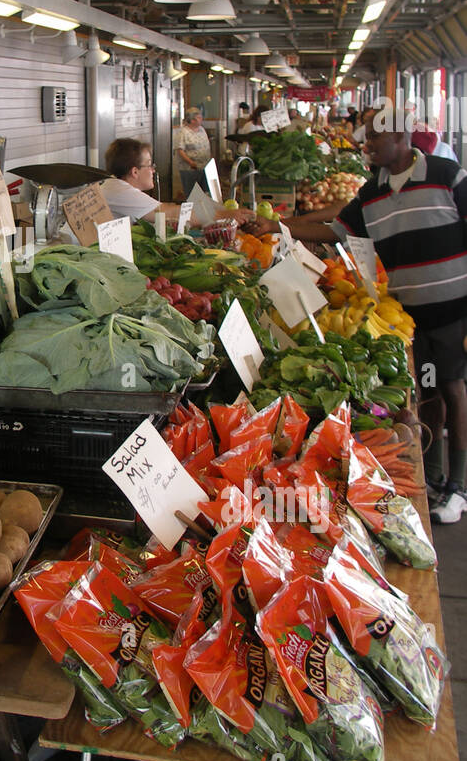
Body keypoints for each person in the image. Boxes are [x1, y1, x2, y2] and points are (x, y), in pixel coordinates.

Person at [264, 107, 467, 525]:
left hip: (453, 309)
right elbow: (335, 230)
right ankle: (434, 474)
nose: (367, 145)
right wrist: (277, 227)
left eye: (374, 138)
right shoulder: (372, 193)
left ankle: (459, 486)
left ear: (399, 136)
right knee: (429, 390)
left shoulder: (446, 174)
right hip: (411, 318)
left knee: (453, 388)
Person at [101, 137, 256, 228]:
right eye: (149, 165)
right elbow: (169, 213)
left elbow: (166, 210)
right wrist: (225, 214)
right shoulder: (120, 191)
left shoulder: (116, 187)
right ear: (135, 172)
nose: (153, 170)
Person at [174, 106, 213, 197]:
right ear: (192, 120)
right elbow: (180, 150)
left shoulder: (202, 129)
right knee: (192, 194)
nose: (201, 119)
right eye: (198, 117)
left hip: (204, 167)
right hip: (190, 169)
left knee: (205, 193)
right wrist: (191, 163)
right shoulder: (183, 132)